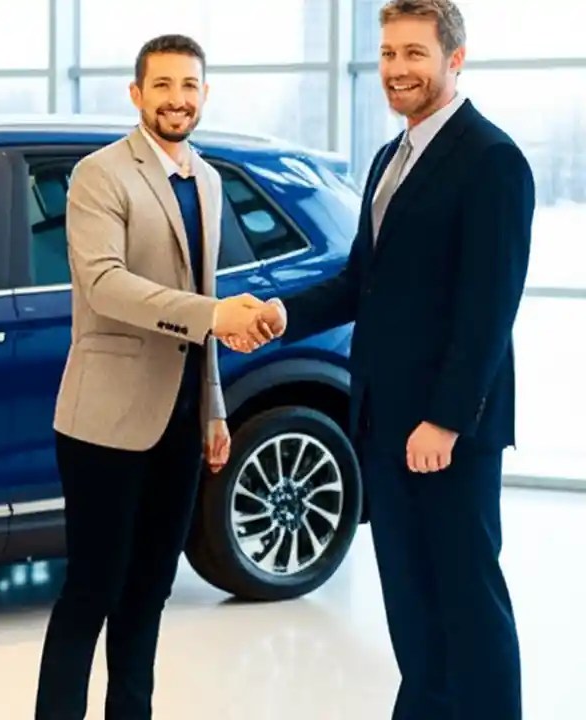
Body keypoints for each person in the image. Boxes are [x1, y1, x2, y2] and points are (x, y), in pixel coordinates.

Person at [248, 1, 532, 717]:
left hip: (446, 431)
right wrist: (281, 314)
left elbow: (488, 311)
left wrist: (445, 420)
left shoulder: (492, 160)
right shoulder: (389, 159)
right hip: (383, 421)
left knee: (468, 602)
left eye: (414, 53)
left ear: (454, 59)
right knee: (411, 603)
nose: (397, 69)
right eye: (387, 54)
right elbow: (361, 282)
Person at [33, 34, 274, 720]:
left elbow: (203, 298)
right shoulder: (100, 175)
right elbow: (105, 285)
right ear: (137, 94)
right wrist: (213, 315)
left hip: (181, 418)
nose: (177, 99)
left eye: (189, 85)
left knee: (149, 591)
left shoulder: (209, 180)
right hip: (105, 420)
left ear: (205, 94)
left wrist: (214, 407)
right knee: (93, 590)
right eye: (163, 85)